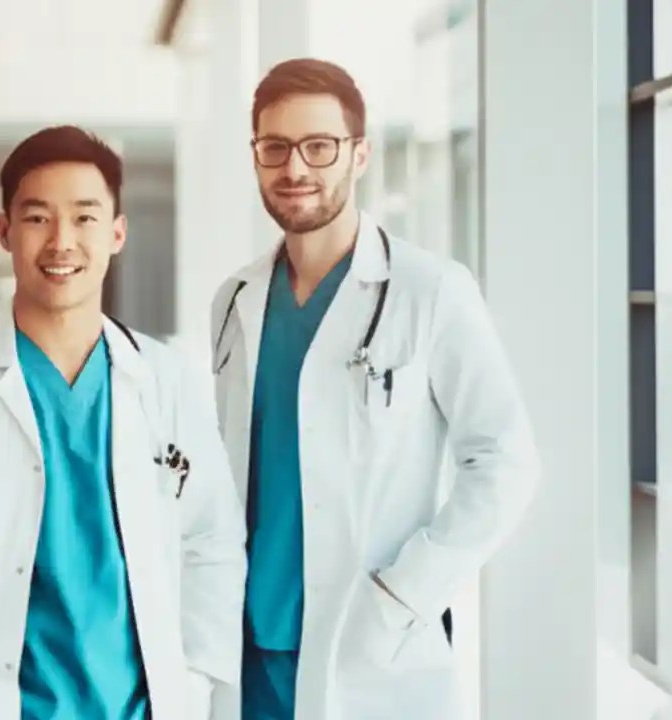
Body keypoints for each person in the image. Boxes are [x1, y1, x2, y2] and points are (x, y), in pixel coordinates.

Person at [0, 126, 246, 720]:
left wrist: (195, 678)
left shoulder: (166, 380)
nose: (62, 242)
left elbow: (212, 539)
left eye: (85, 218)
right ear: (5, 231)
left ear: (117, 233)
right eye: (38, 218)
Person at [209, 58, 541, 719]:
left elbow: (506, 463)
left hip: (370, 650)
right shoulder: (234, 300)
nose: (294, 168)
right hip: (248, 653)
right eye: (274, 148)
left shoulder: (431, 290)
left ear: (359, 155)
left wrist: (406, 594)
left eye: (319, 146)